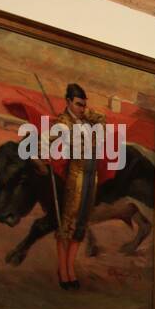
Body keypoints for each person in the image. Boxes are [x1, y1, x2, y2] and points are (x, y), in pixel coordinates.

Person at [48, 83, 107, 290]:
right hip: (77, 177)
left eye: (84, 105)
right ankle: (63, 271)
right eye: (78, 104)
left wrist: (85, 113)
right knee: (68, 223)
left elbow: (102, 119)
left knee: (81, 223)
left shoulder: (86, 120)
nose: (82, 108)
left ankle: (70, 268)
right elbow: (48, 142)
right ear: (68, 102)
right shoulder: (62, 123)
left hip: (92, 177)